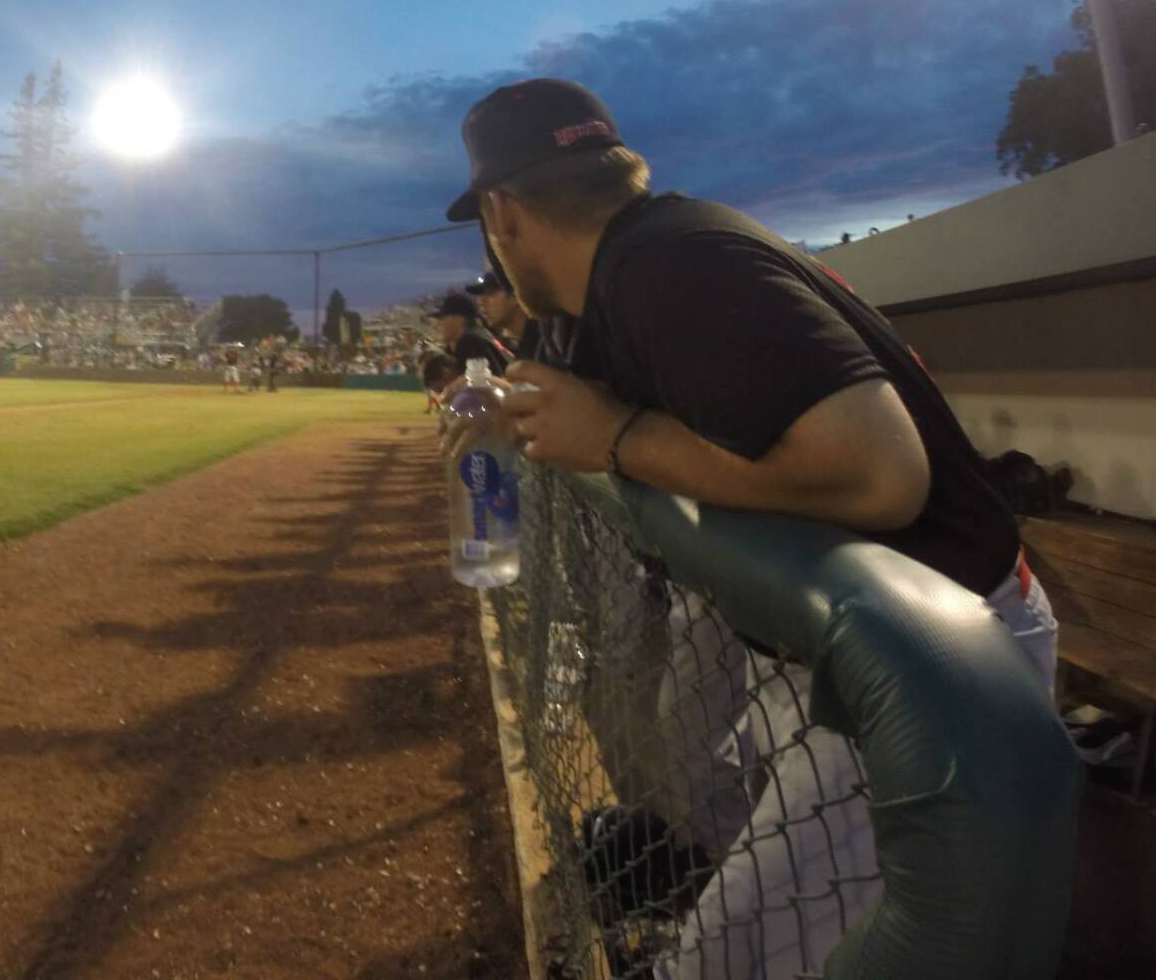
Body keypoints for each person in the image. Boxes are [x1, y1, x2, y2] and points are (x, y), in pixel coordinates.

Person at [443, 77, 1057, 977]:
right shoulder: (615, 278)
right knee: (779, 904)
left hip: (933, 669)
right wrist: (508, 409)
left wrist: (615, 436)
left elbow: (880, 473)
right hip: (850, 653)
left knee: (734, 954)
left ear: (501, 212)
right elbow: (555, 385)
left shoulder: (671, 265)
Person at [464, 269, 545, 362]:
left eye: (490, 293)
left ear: (516, 296)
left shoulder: (547, 341)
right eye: (480, 295)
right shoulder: (527, 343)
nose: (481, 302)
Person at [427, 292, 510, 376]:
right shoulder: (477, 335)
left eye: (442, 318)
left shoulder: (470, 342)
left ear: (460, 319)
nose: (438, 324)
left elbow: (490, 380)